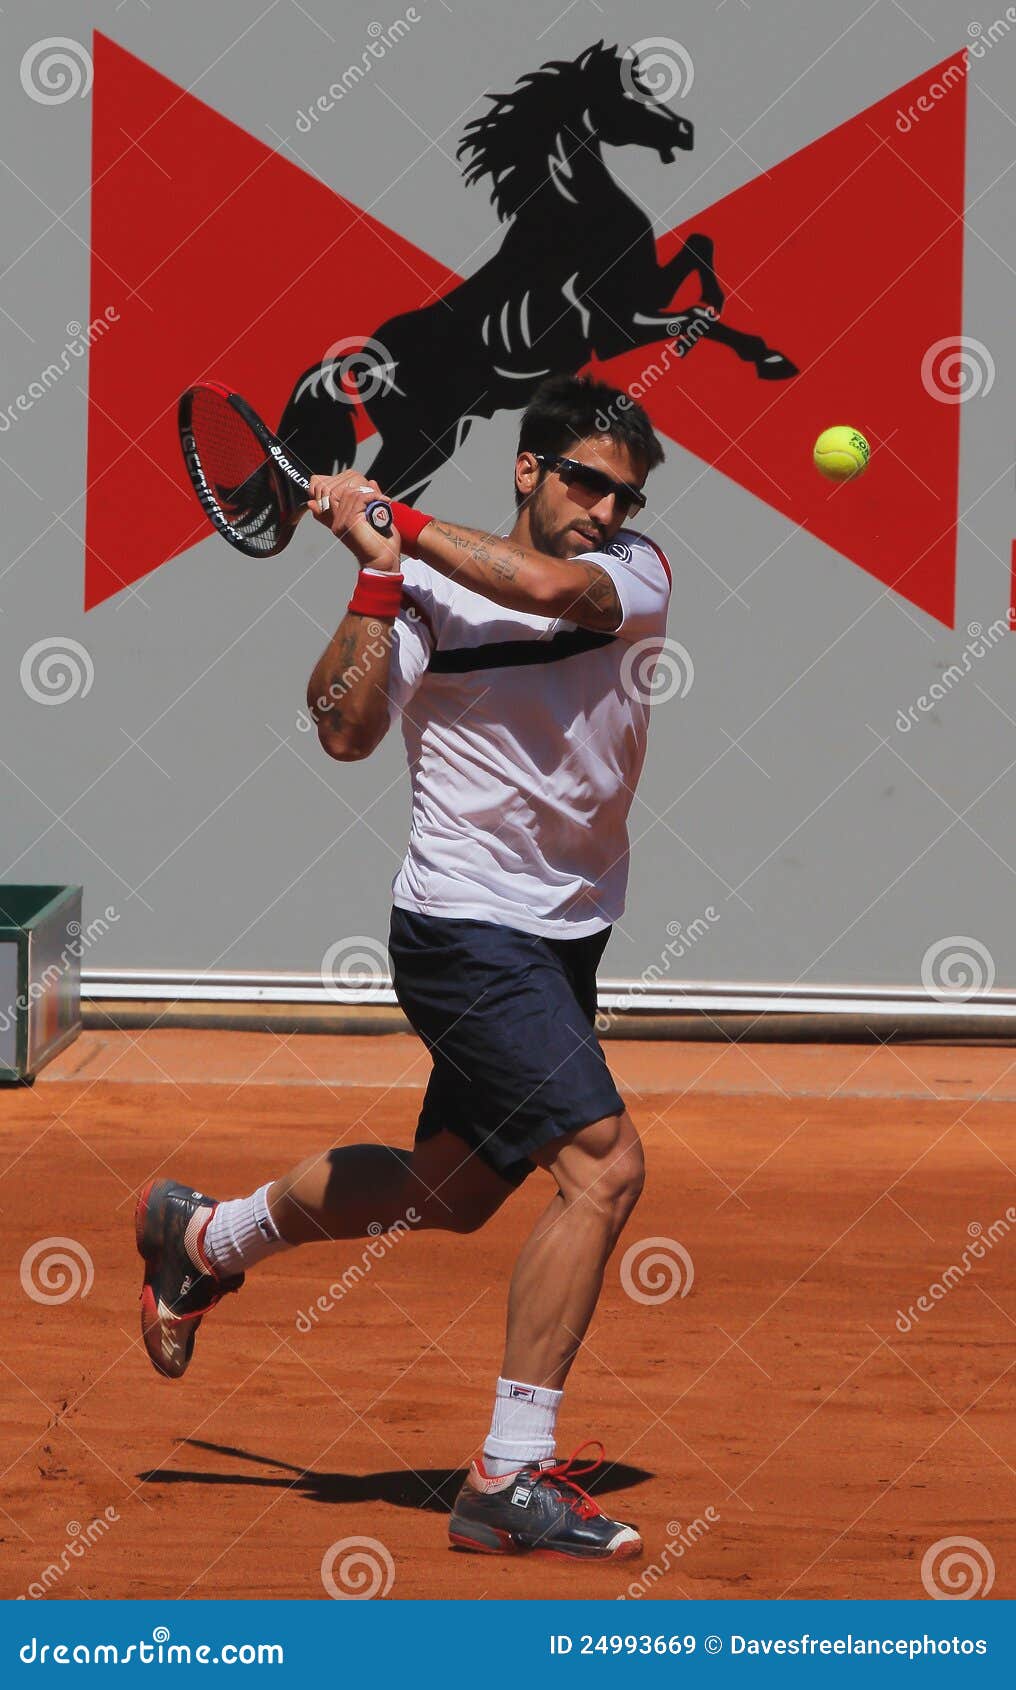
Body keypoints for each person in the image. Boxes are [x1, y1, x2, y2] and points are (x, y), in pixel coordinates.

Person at [136, 372, 670, 1561]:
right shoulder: (423, 588)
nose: (603, 508)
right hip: (463, 931)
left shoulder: (631, 572)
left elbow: (544, 589)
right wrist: (379, 578)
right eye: (583, 481)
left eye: (622, 494)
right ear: (527, 469)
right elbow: (343, 728)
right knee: (602, 1167)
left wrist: (399, 524)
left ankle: (203, 1238)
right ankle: (505, 1477)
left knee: (451, 1191)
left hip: (564, 935)